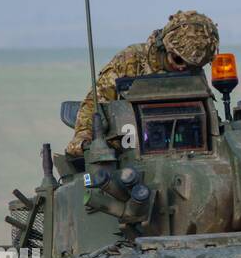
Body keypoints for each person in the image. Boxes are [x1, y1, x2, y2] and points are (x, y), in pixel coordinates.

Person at [67, 10, 219, 156]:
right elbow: (94, 104)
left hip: (186, 152)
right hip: (126, 153)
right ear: (164, 47)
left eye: (192, 66)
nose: (183, 68)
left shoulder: (193, 72)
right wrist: (83, 136)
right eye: (178, 60)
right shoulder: (130, 61)